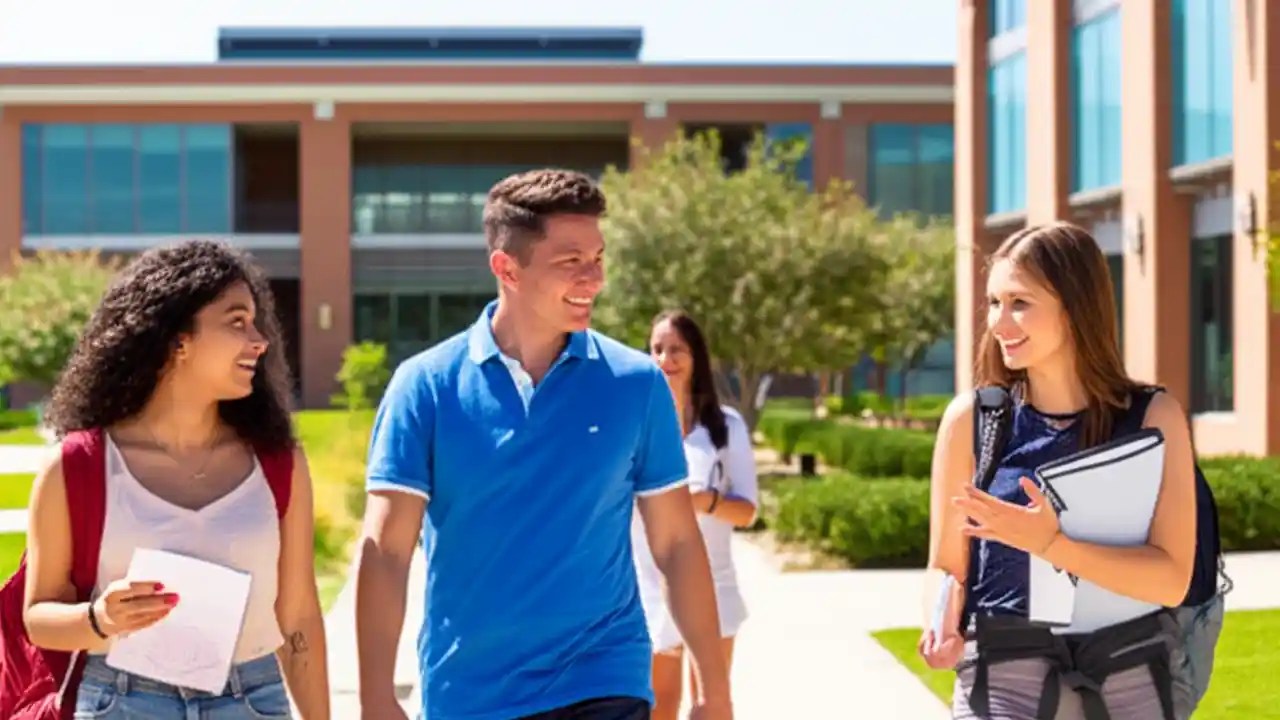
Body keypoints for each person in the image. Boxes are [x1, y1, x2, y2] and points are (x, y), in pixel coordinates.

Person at [354, 169, 733, 720]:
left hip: (603, 679)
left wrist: (714, 695)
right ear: (507, 268)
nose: (594, 278)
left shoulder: (635, 383)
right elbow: (386, 552)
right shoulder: (426, 386)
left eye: (598, 257)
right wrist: (374, 698)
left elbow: (676, 542)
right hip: (468, 692)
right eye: (570, 261)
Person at [23, 240, 330, 718]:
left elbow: (299, 617)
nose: (259, 340)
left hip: (252, 699)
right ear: (177, 340)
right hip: (119, 701)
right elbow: (38, 616)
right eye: (236, 322)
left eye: (255, 321)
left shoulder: (277, 462)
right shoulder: (77, 466)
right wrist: (99, 619)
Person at [919, 222, 1200, 719]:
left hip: (1127, 675)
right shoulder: (972, 420)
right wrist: (940, 621)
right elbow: (947, 566)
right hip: (1003, 680)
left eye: (1020, 303)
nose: (999, 324)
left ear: (1075, 307)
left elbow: (1172, 580)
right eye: (994, 303)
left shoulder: (1155, 418)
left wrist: (1050, 544)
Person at [632, 310, 758, 720]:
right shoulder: (634, 426)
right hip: (651, 587)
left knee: (710, 708)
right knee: (659, 707)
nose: (664, 358)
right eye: (656, 349)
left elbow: (748, 512)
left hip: (713, 587)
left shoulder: (727, 428)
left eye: (676, 349)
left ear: (696, 357)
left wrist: (706, 503)